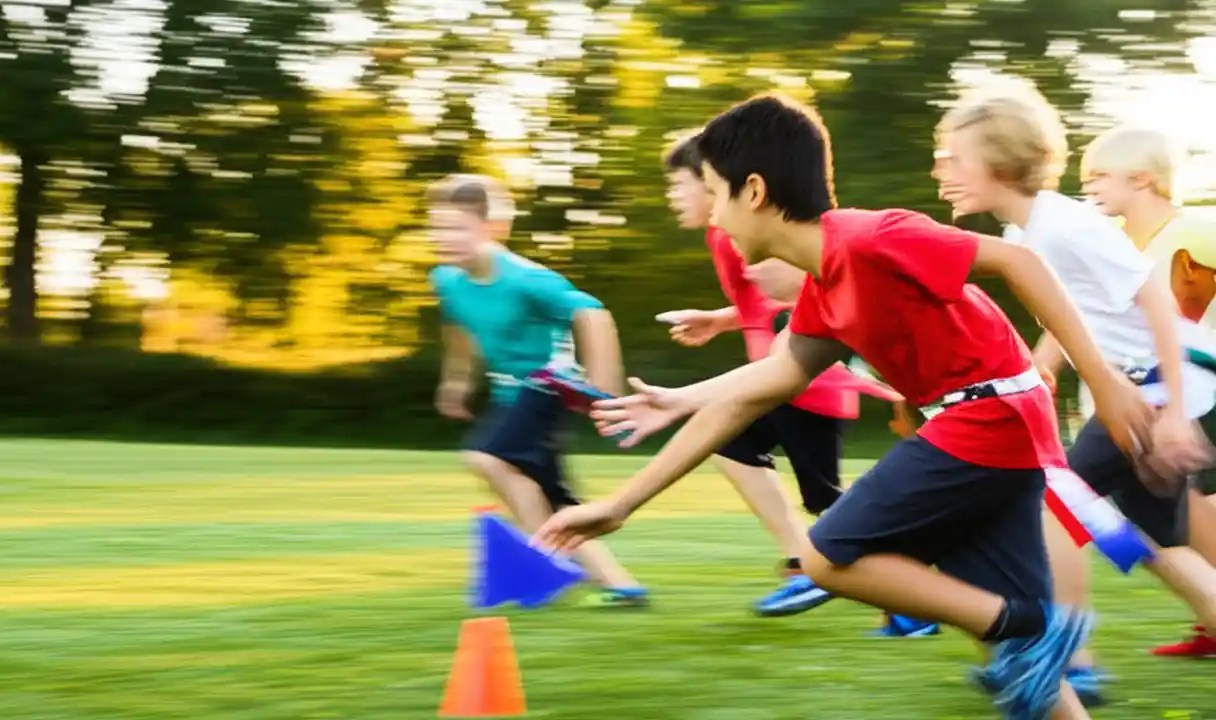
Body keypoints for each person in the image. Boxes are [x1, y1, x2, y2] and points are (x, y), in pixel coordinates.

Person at [536, 92, 1157, 720]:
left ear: (754, 191)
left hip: (987, 416)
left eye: (718, 196)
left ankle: (1026, 621)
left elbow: (1018, 260)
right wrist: (630, 486)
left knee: (827, 558)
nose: (716, 221)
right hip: (996, 426)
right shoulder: (825, 289)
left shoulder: (872, 238)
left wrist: (1100, 378)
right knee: (1033, 676)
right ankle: (1027, 634)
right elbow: (765, 384)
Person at [933, 80, 1216, 670]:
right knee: (1152, 537)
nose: (942, 169)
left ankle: (1072, 662)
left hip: (1161, 388)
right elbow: (1073, 315)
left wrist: (1173, 414)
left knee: (1053, 499)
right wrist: (1040, 368)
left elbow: (1159, 305)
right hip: (1148, 388)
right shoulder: (1024, 232)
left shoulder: (1067, 226)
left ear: (1002, 162)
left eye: (955, 158)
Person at [659, 132, 933, 632]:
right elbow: (771, 298)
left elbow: (810, 286)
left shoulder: (742, 232)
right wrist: (720, 320)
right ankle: (803, 561)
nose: (672, 196)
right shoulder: (724, 237)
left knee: (830, 504)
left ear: (714, 184)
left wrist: (781, 367)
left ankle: (908, 597)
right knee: (732, 448)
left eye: (680, 184)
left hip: (804, 383)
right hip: (780, 380)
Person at [427, 173, 648, 608]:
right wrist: (457, 380)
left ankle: (544, 561)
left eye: (456, 228)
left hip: (548, 386)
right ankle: (622, 587)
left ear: (492, 228)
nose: (444, 238)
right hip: (511, 397)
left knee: (486, 457)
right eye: (436, 227)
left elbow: (594, 315)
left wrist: (604, 391)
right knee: (548, 496)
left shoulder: (527, 279)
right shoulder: (447, 281)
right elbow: (457, 327)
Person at [1080, 123, 1216, 656]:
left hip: (1197, 391)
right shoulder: (1119, 246)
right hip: (1165, 394)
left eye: (1098, 177)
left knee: (1192, 511)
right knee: (1177, 516)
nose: (1087, 187)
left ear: (1141, 180)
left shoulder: (1196, 230)